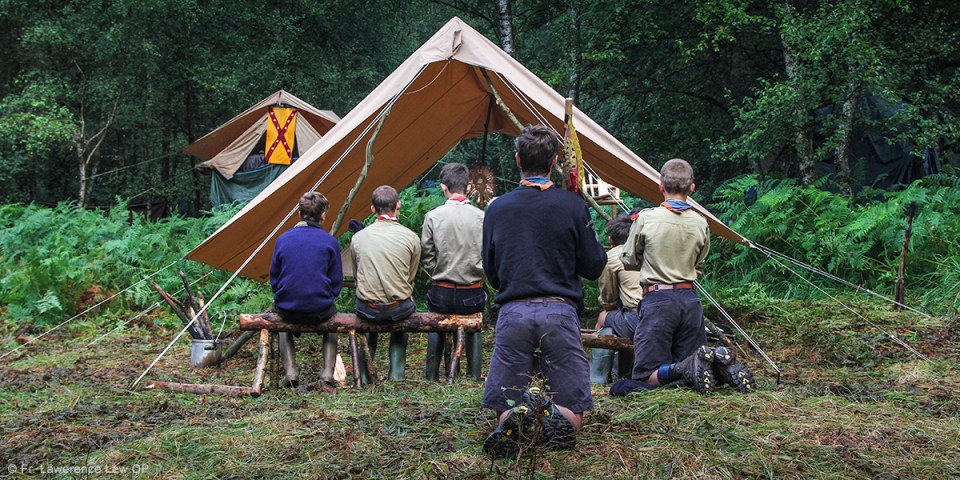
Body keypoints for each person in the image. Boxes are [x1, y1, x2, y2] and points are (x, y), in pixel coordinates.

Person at [481, 124, 607, 457]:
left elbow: (491, 273)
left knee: (505, 402)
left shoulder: (497, 209)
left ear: (518, 159)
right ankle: (554, 418)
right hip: (559, 310)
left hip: (513, 311)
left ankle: (518, 417)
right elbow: (594, 267)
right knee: (573, 406)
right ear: (554, 162)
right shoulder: (572, 206)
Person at [614, 158, 753, 396]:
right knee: (694, 372)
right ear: (692, 188)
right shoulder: (701, 222)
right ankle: (718, 369)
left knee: (643, 377)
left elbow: (627, 260)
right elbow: (699, 262)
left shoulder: (647, 218)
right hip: (689, 300)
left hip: (658, 301)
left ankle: (689, 368)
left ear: (660, 186)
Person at [269, 191, 343, 388]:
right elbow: (337, 282)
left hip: (288, 308)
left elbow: (274, 278)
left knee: (282, 322)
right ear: (323, 215)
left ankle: (291, 372)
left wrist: (284, 295)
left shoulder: (282, 239)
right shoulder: (329, 241)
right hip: (321, 308)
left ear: (299, 213)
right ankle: (327, 373)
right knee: (332, 323)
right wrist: (325, 296)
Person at [420, 163, 486, 381]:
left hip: (442, 293)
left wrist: (437, 271)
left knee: (435, 323)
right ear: (468, 187)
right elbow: (489, 254)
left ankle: (431, 376)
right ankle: (474, 376)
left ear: (443, 187)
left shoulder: (433, 216)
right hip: (472, 292)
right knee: (475, 324)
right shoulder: (481, 217)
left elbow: (426, 255)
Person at [350, 185, 421, 382]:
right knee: (402, 319)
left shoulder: (358, 238)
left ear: (372, 209)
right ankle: (396, 374)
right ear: (398, 205)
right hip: (398, 309)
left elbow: (358, 278)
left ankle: (364, 375)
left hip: (368, 309)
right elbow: (410, 277)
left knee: (367, 312)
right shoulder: (411, 237)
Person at [589, 214, 643, 384]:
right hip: (656, 309)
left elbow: (608, 302)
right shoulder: (646, 250)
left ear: (611, 240)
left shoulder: (612, 257)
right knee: (618, 317)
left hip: (637, 316)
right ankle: (623, 371)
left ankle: (598, 376)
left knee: (604, 317)